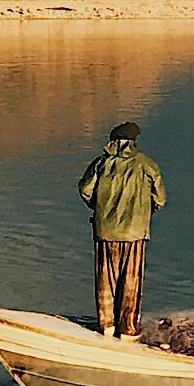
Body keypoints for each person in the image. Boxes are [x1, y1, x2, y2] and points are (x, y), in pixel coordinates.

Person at [78, 121, 165, 340]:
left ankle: (106, 325)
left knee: (106, 279)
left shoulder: (101, 163)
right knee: (131, 280)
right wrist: (144, 212)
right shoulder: (147, 165)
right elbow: (160, 199)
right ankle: (127, 329)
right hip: (135, 232)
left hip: (105, 230)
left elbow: (85, 189)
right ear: (134, 140)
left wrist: (100, 209)